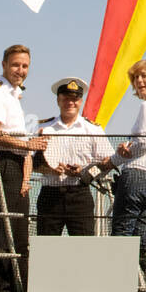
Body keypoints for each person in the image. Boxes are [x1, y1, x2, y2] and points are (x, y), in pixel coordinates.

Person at [0, 44, 48, 292]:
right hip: (1, 165)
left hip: (17, 170)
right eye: (16, 65)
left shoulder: (13, 96)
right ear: (4, 65)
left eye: (25, 66)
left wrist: (26, 176)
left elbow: (23, 147)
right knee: (0, 235)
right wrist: (27, 143)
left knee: (18, 238)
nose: (20, 70)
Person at [103, 59, 146, 251]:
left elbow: (143, 141)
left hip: (136, 176)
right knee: (142, 239)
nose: (139, 81)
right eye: (136, 77)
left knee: (121, 234)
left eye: (144, 76)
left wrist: (117, 157)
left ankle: (118, 279)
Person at [35, 78, 112, 236]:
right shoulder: (43, 128)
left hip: (80, 195)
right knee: (46, 251)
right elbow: (30, 162)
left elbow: (109, 163)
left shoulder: (92, 129)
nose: (70, 102)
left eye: (74, 99)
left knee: (83, 252)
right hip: (50, 195)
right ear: (58, 100)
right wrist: (49, 170)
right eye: (66, 98)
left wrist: (85, 173)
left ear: (81, 101)